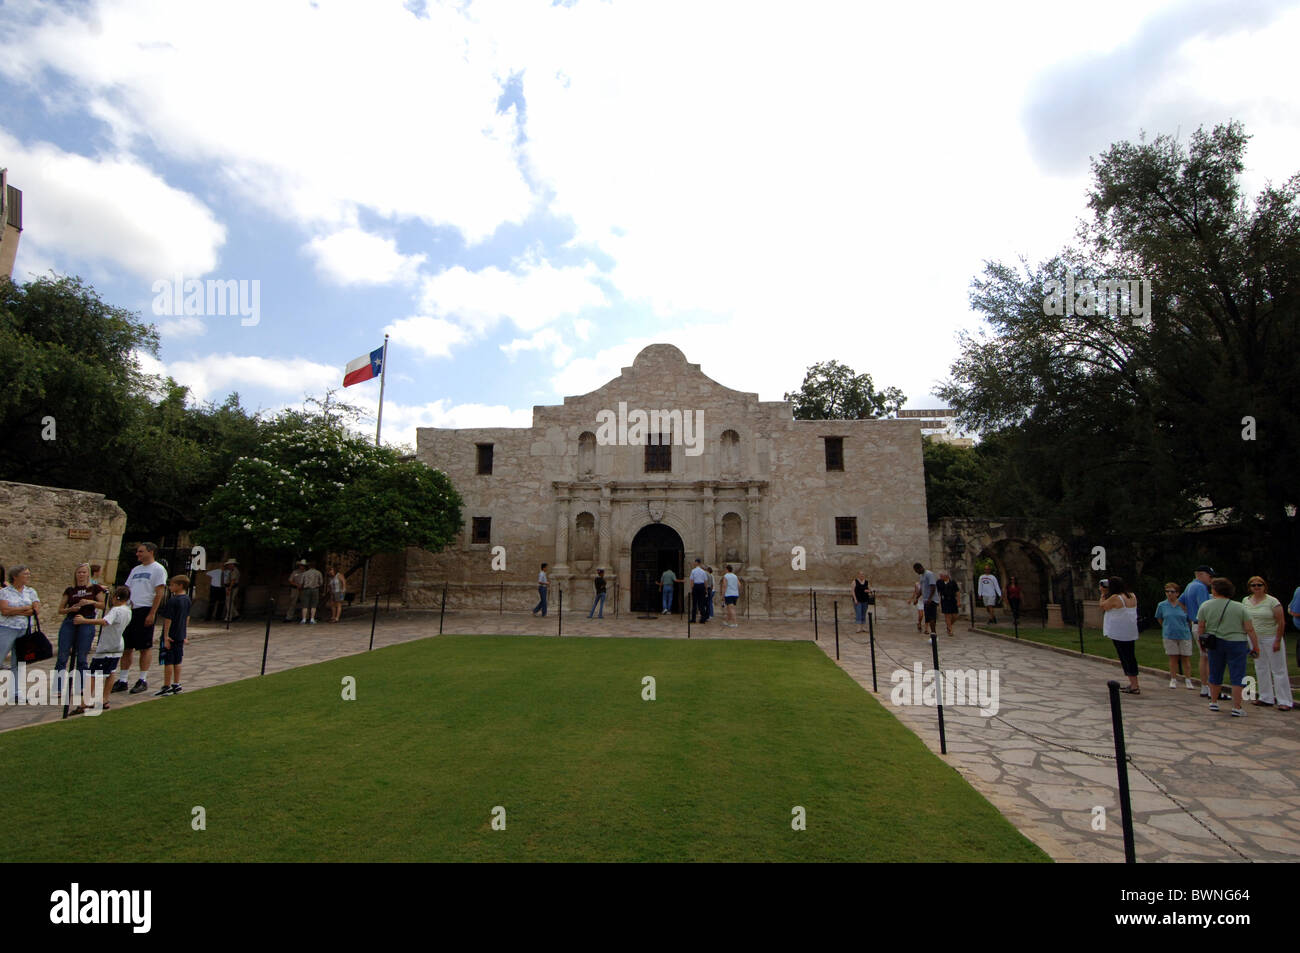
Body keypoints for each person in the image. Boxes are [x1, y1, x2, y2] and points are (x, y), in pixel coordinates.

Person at [1197, 577, 1260, 717]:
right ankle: (1237, 707)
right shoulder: (1239, 607)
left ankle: (1213, 701)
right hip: (1237, 642)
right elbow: (1249, 629)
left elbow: (1201, 627)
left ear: (1214, 590)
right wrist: (1255, 646)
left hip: (1215, 642)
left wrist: (1202, 643)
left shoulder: (1206, 605)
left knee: (1215, 671)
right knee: (1238, 674)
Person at [114, 542, 167, 695]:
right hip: (131, 610)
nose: (137, 554)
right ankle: (123, 679)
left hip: (145, 610)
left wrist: (152, 613)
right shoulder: (135, 570)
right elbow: (127, 589)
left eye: (140, 551)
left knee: (144, 646)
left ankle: (142, 679)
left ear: (150, 551)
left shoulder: (158, 569)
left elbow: (159, 593)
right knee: (127, 646)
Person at [74, 586, 132, 715]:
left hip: (107, 646)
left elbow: (105, 621)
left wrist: (84, 621)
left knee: (93, 674)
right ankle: (105, 699)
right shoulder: (128, 610)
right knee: (111, 671)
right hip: (117, 645)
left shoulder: (116, 610)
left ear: (116, 597)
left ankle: (85, 702)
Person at [55, 563, 105, 703]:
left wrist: (89, 602)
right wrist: (71, 609)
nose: (81, 575)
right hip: (70, 621)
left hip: (86, 621)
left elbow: (102, 604)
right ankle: (58, 687)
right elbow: (60, 609)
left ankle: (81, 686)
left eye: (83, 572)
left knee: (82, 656)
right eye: (79, 572)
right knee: (62, 655)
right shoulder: (70, 590)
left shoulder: (94, 588)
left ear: (88, 574)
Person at [1243, 576, 1291, 711]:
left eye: (1259, 585)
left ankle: (1284, 700)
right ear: (1250, 587)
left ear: (1264, 586)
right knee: (1260, 666)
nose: (1257, 587)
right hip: (1254, 638)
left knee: (1278, 668)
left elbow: (1281, 622)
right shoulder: (1246, 601)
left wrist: (1277, 640)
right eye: (1253, 585)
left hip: (1271, 637)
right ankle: (1266, 697)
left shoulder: (1272, 602)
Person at [0, 566, 41, 703]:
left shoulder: (31, 591)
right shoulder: (5, 592)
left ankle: (16, 692)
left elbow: (35, 610)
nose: (28, 576)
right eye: (25, 574)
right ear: (15, 576)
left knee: (18, 662)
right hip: (6, 628)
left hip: (24, 629)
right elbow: (5, 611)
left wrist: (16, 610)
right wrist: (24, 608)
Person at [1179, 564, 1217, 698]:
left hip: (1194, 623)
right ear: (1201, 574)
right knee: (1209, 657)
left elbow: (1180, 602)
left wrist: (1190, 614)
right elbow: (1205, 608)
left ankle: (1204, 686)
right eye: (1210, 576)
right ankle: (1211, 686)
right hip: (1203, 625)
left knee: (1203, 656)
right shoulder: (1201, 587)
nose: (1211, 580)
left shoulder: (1190, 586)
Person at [1100, 576, 1141, 694]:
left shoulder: (1115, 597)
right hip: (1130, 631)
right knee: (1130, 656)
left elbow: (1103, 606)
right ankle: (1134, 683)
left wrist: (1103, 594)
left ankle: (1134, 685)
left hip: (1119, 632)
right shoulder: (1132, 596)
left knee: (1125, 657)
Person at [1155, 582, 1196, 689]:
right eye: (1167, 592)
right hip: (1169, 634)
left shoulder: (1183, 605)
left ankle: (1188, 679)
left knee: (1185, 658)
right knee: (1173, 658)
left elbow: (1189, 619)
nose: (1169, 594)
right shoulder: (1162, 605)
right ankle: (1173, 679)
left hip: (1184, 634)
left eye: (1172, 592)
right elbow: (1160, 618)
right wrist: (1165, 626)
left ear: (1177, 593)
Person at [156, 575, 192, 696]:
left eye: (172, 585)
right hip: (180, 634)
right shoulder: (187, 599)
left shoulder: (173, 600)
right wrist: (184, 633)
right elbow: (187, 617)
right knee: (178, 660)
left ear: (179, 585)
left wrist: (165, 636)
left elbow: (168, 619)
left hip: (171, 635)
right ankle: (176, 684)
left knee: (169, 661)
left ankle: (166, 685)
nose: (170, 587)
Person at [912, 562, 939, 637]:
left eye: (916, 570)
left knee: (932, 617)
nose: (916, 572)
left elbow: (933, 586)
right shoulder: (921, 576)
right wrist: (917, 598)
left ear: (919, 568)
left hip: (932, 600)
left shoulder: (929, 574)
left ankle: (934, 633)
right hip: (925, 600)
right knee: (928, 618)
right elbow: (921, 589)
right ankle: (932, 633)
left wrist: (930, 598)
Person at [936, 570, 960, 636]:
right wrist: (937, 601)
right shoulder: (939, 582)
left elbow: (957, 592)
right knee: (947, 615)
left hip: (952, 600)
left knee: (955, 616)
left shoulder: (953, 582)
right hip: (945, 600)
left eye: (941, 576)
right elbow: (937, 592)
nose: (940, 577)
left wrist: (958, 601)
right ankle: (950, 629)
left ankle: (949, 625)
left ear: (946, 576)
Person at [689, 559, 709, 624]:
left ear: (697, 563)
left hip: (696, 586)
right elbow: (705, 581)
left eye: (695, 562)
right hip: (701, 586)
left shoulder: (693, 571)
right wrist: (706, 589)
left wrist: (692, 589)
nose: (694, 563)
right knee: (701, 603)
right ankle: (703, 619)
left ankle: (693, 619)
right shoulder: (703, 572)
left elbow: (692, 581)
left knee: (694, 603)